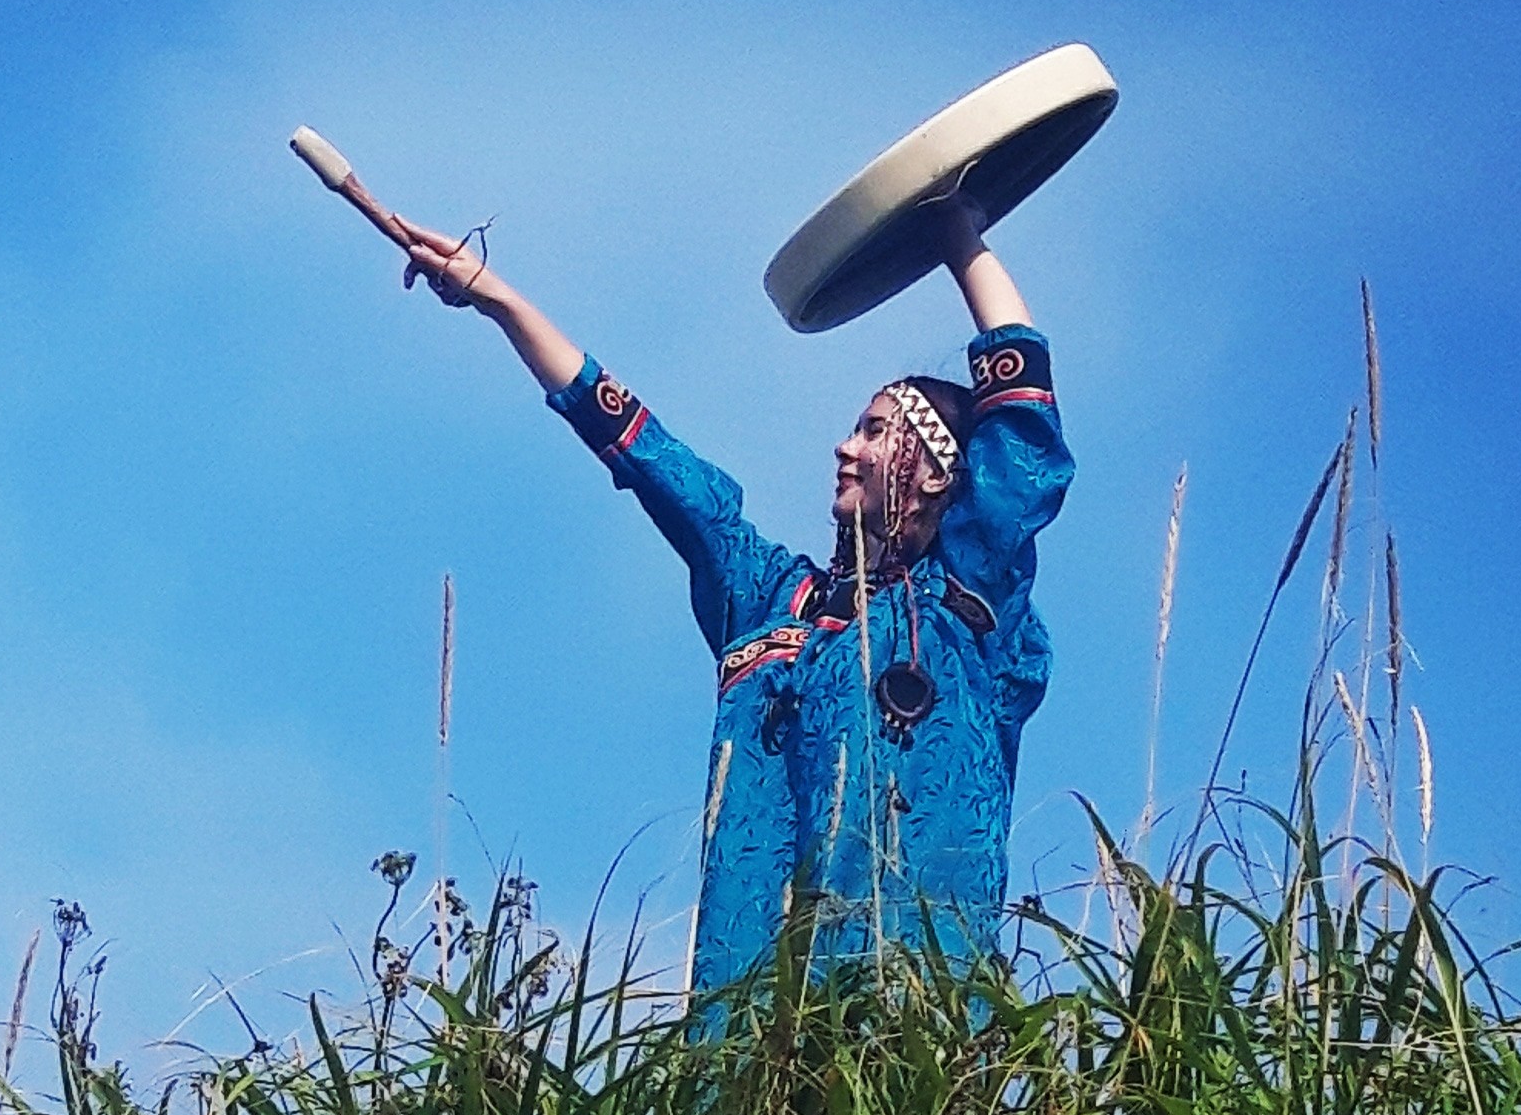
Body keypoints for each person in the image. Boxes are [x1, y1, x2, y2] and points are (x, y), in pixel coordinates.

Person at [383, 200, 1069, 1008]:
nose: (845, 447)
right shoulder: (772, 605)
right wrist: (499, 300)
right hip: (754, 1020)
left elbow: (1021, 419)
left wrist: (955, 232)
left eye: (876, 431)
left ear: (937, 473)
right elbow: (653, 461)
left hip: (917, 1013)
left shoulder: (969, 596)